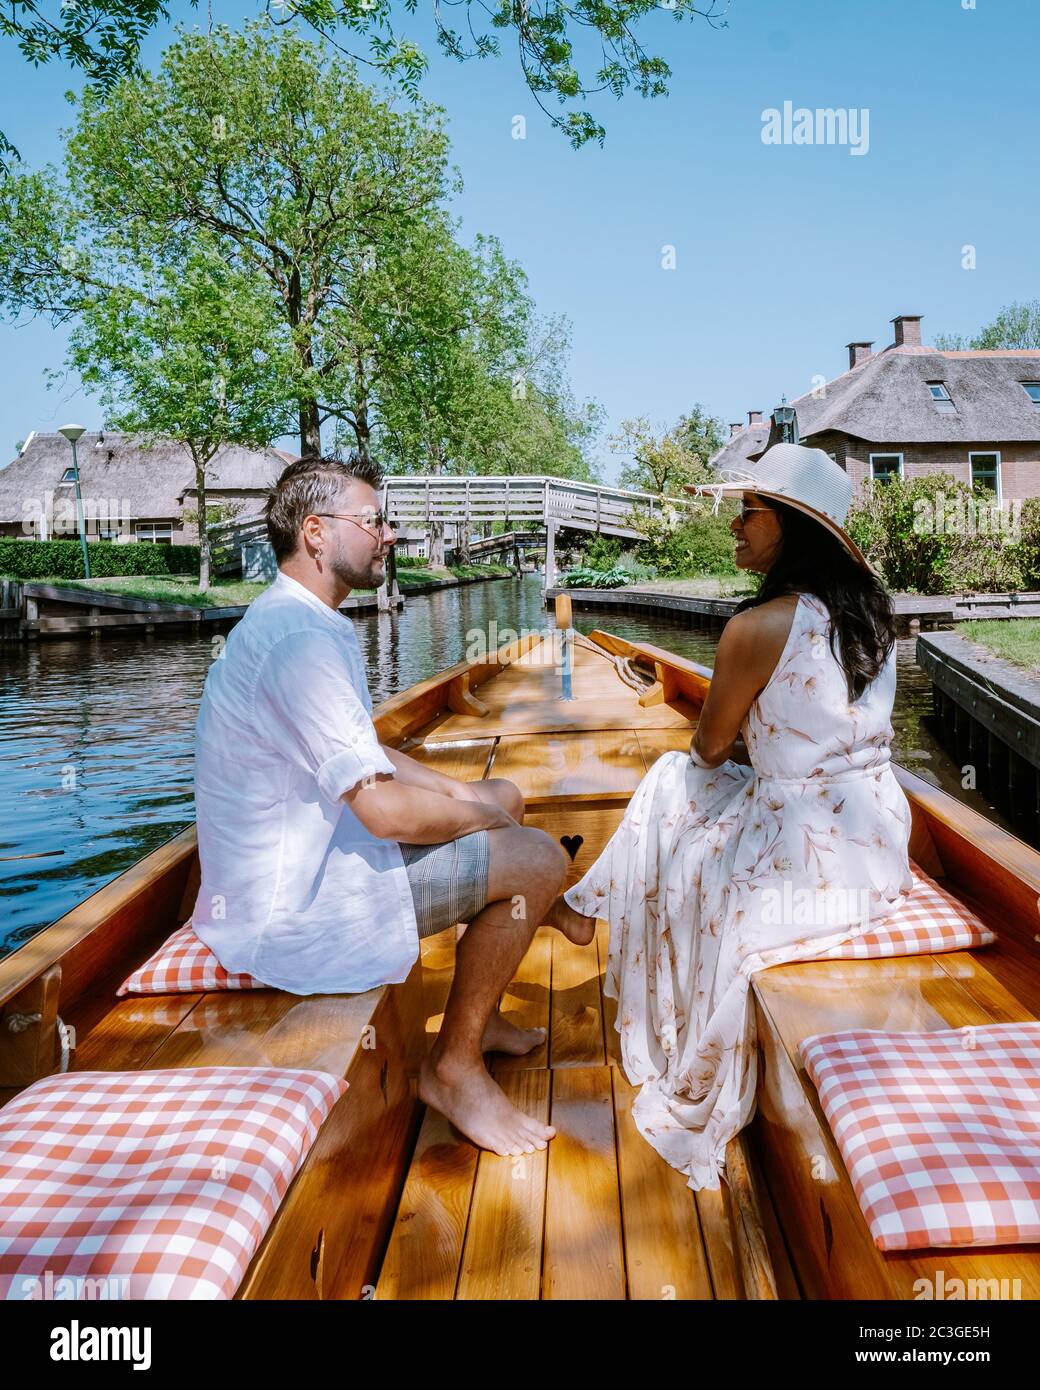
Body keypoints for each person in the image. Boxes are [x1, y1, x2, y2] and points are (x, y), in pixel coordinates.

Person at [191, 454, 585, 1159]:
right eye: (374, 521)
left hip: (318, 858)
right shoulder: (299, 641)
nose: (390, 533)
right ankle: (454, 1068)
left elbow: (363, 752)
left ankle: (485, 1010)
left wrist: (470, 795)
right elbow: (384, 814)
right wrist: (488, 824)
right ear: (316, 533)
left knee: (506, 792)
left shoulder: (301, 621)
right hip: (292, 910)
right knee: (530, 857)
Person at [547, 443, 914, 1190]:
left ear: (791, 526)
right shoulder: (875, 615)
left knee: (671, 777)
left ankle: (587, 910)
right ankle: (587, 909)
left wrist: (747, 734)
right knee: (680, 791)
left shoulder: (756, 628)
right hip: (878, 836)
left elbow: (711, 746)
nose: (736, 529)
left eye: (749, 513)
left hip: (801, 848)